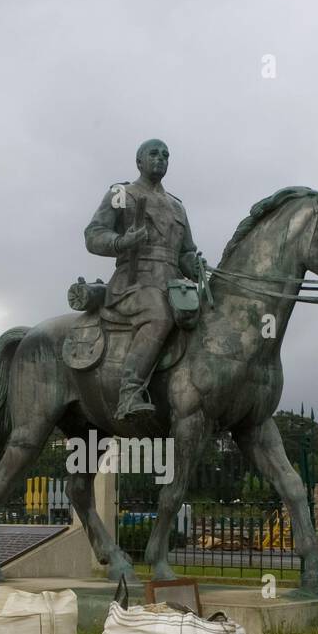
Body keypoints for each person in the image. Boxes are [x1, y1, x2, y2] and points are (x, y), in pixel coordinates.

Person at [84, 138, 205, 429]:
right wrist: (122, 241)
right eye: (154, 154)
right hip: (132, 285)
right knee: (159, 315)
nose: (160, 158)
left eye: (166, 155)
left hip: (174, 286)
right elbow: (93, 235)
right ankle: (129, 393)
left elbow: (185, 253)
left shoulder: (178, 207)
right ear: (139, 161)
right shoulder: (121, 193)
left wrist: (196, 266)